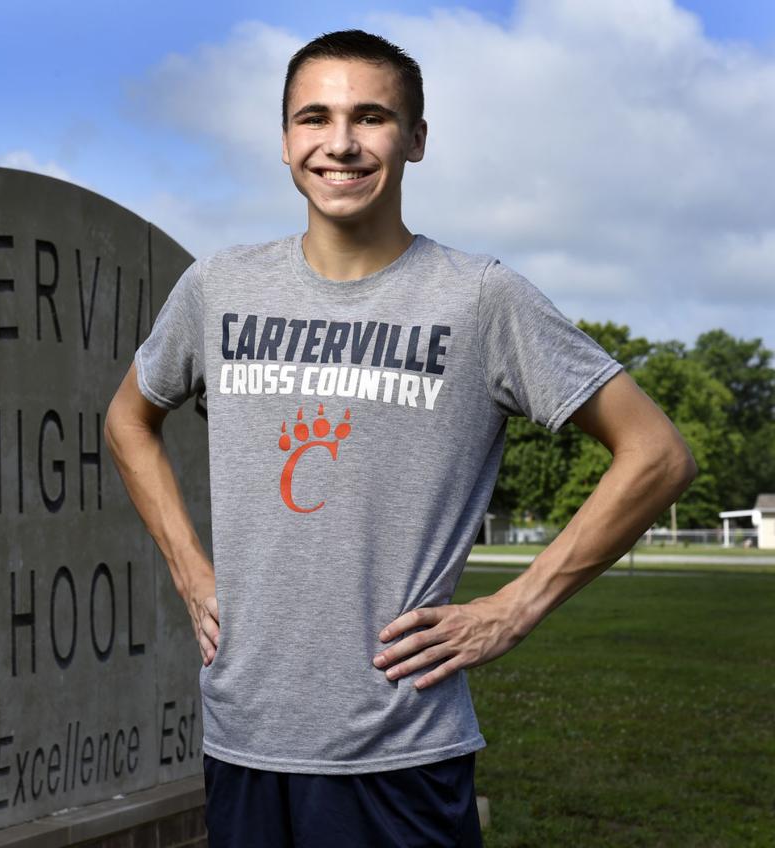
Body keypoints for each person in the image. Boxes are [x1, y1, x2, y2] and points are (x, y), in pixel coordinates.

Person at [104, 29, 695, 847]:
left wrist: (514, 608)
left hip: (400, 750)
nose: (340, 142)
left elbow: (657, 454)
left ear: (415, 139)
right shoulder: (218, 289)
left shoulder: (481, 300)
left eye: (371, 116)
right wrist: (188, 567)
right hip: (242, 737)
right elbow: (129, 418)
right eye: (314, 117)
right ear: (284, 142)